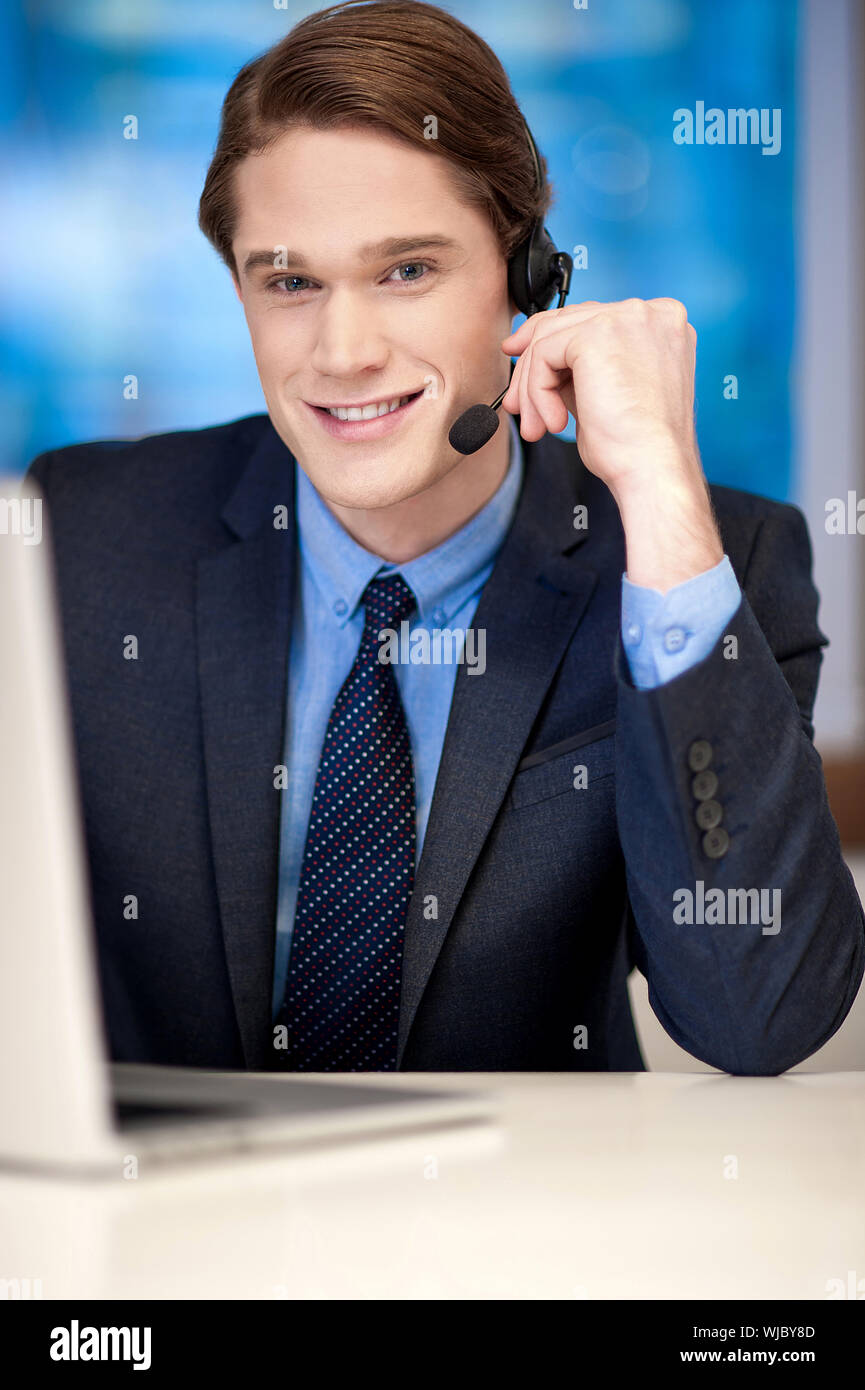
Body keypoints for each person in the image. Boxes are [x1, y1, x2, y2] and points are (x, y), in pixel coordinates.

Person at [27, 0, 864, 1075]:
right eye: (289, 281)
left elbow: (764, 1015)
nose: (342, 351)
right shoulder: (81, 538)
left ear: (529, 280)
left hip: (516, 1230)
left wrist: (657, 488)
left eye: (407, 272)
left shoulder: (708, 561)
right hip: (162, 1227)